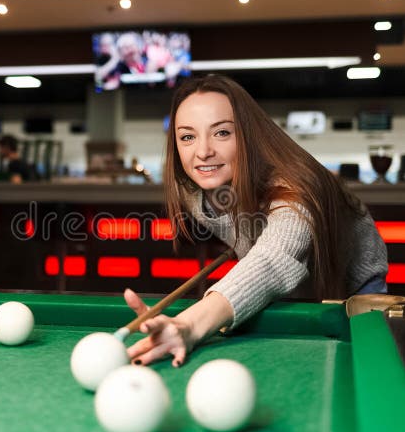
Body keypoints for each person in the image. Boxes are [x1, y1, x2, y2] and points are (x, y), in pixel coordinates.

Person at [124, 74, 388, 367]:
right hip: (284, 289)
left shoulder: (295, 188)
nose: (202, 152)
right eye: (187, 136)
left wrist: (189, 325)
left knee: (369, 367)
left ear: (248, 134)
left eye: (222, 133)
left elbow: (274, 258)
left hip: (354, 288)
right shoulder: (190, 188)